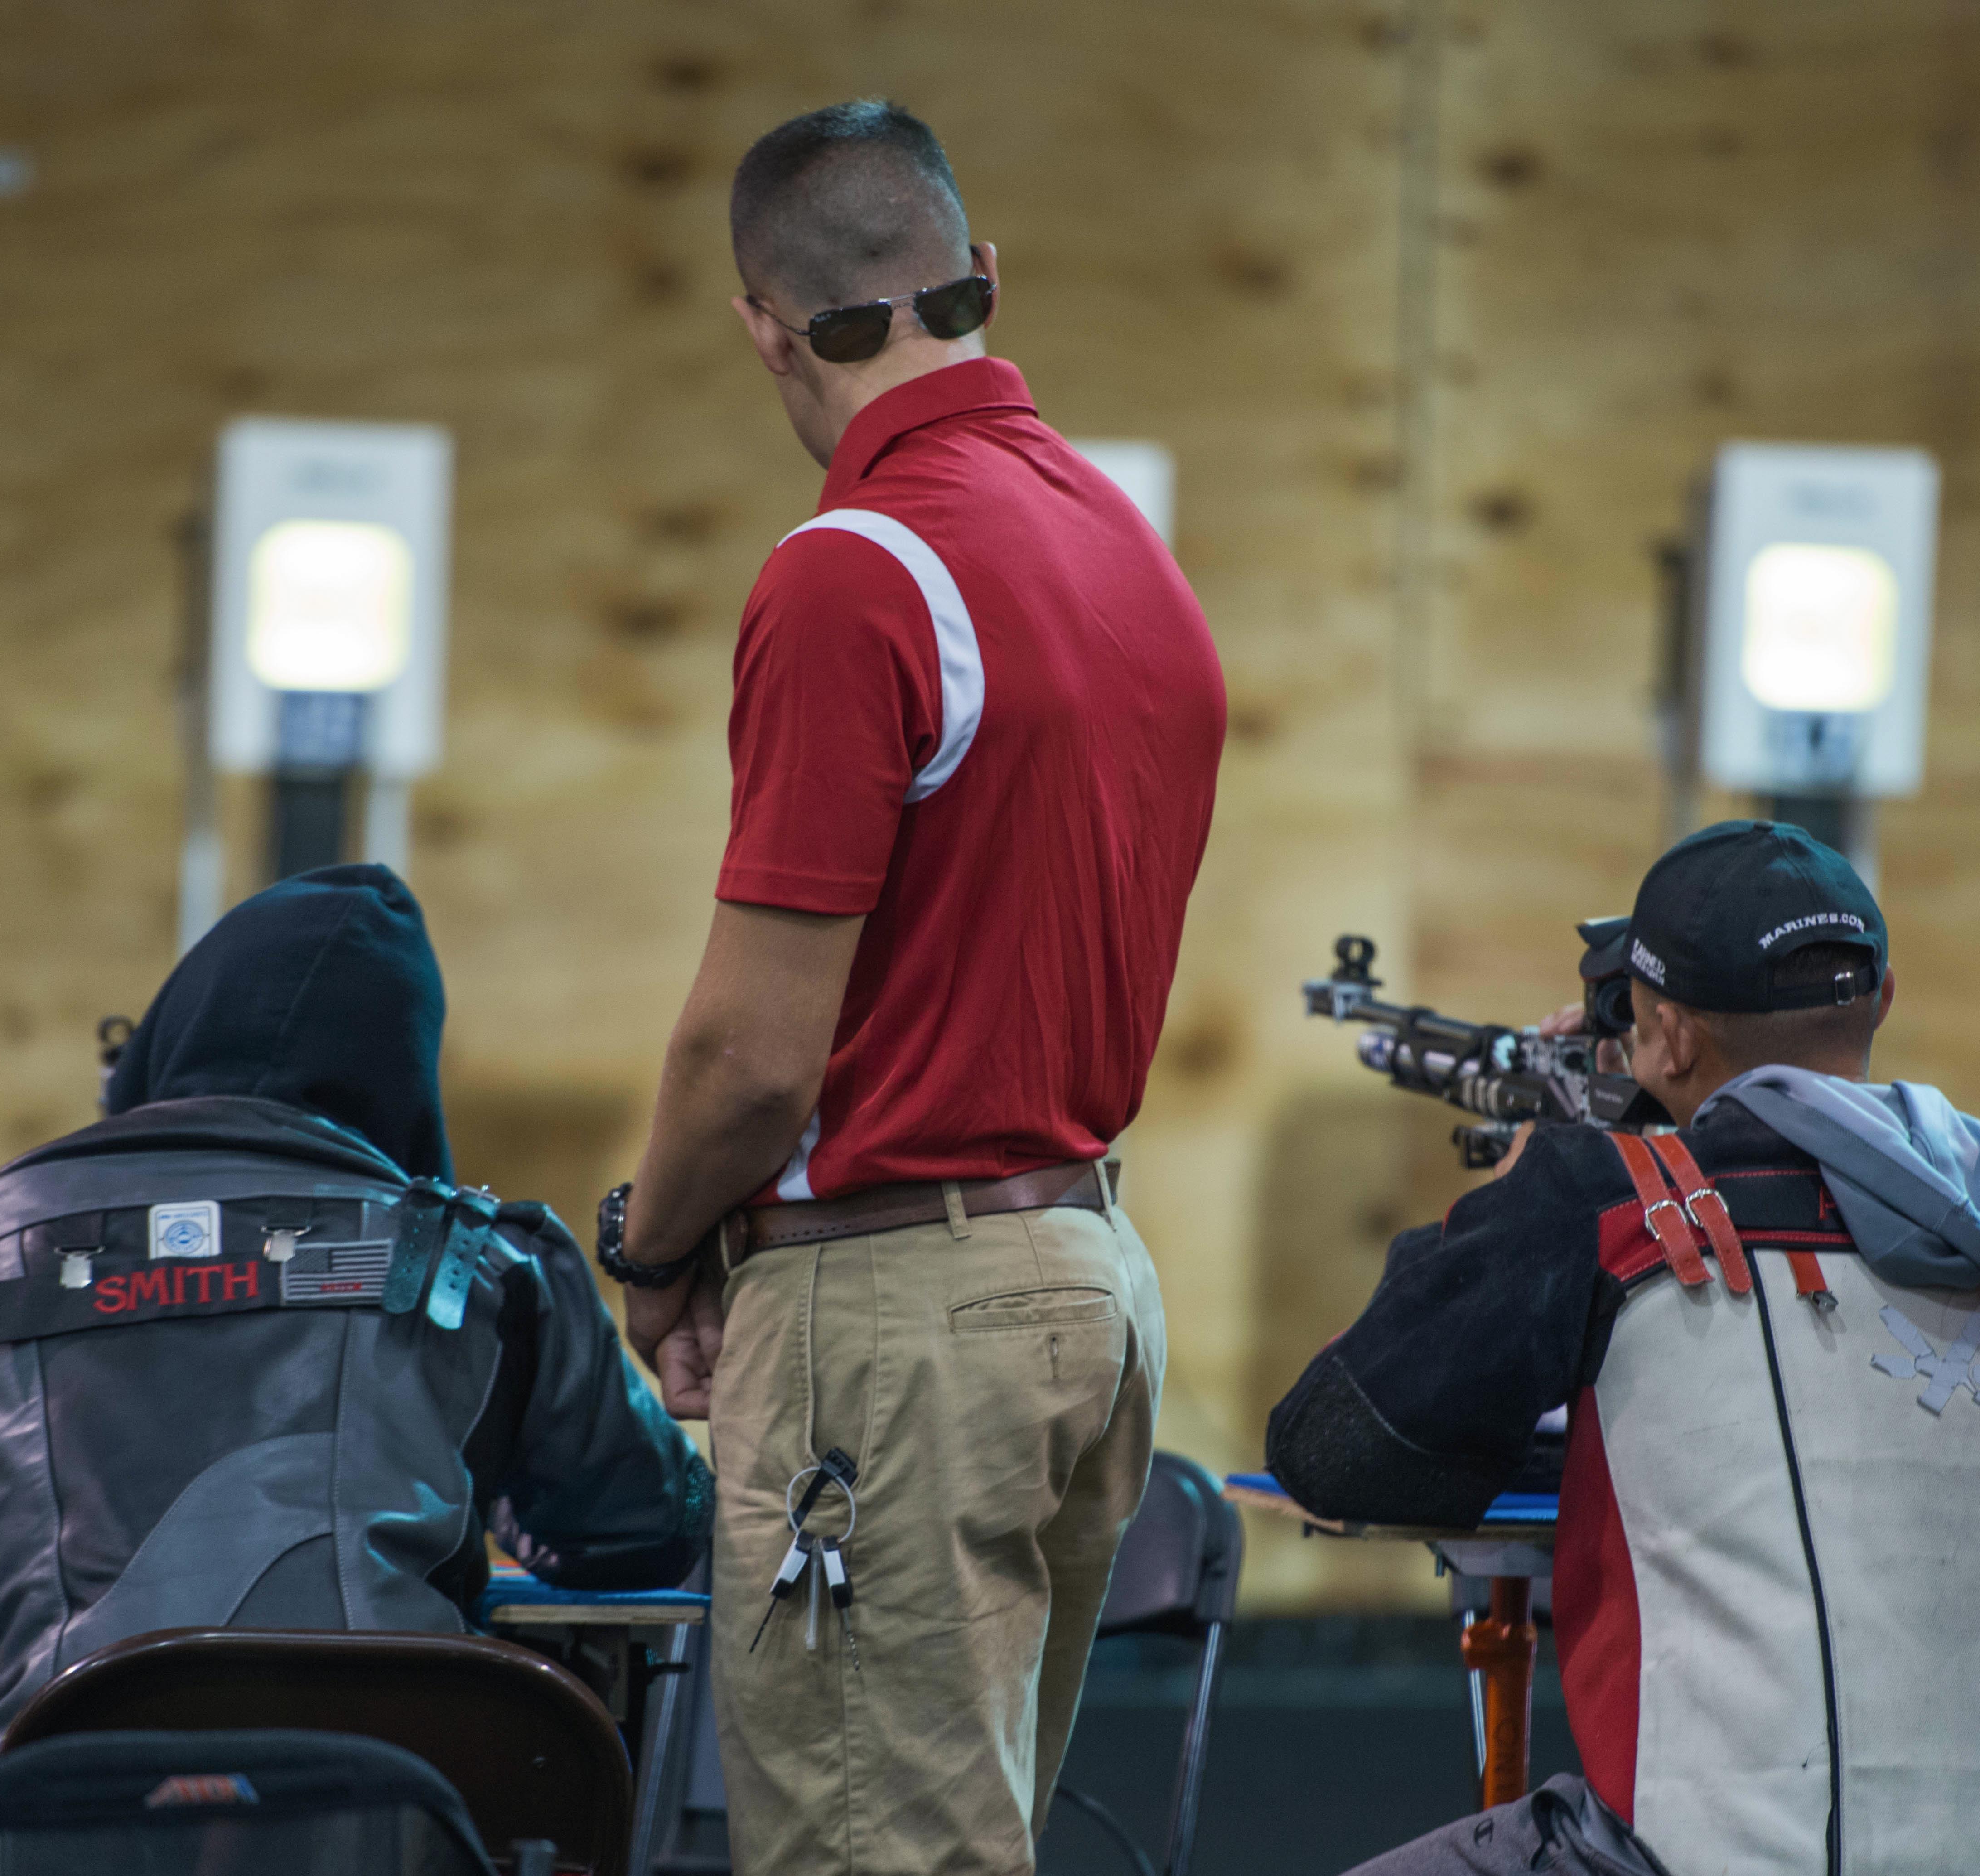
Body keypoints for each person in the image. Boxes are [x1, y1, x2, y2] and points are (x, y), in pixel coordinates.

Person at [594, 98, 1225, 1876]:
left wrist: (651, 1255)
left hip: (897, 1317)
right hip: (1084, 1281)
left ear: (761, 328)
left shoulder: (852, 574)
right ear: (984, 281)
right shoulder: (1125, 549)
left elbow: (747, 1055)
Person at [1274, 822, 1980, 1876]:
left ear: (1665, 1039)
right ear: (1882, 1000)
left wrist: (1524, 1185)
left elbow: (1335, 1451)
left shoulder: (1603, 1200)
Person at [0, 865, 707, 1873]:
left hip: (48, 1821)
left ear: (174, 1032)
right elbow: (639, 1529)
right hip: (406, 1823)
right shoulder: (477, 1259)